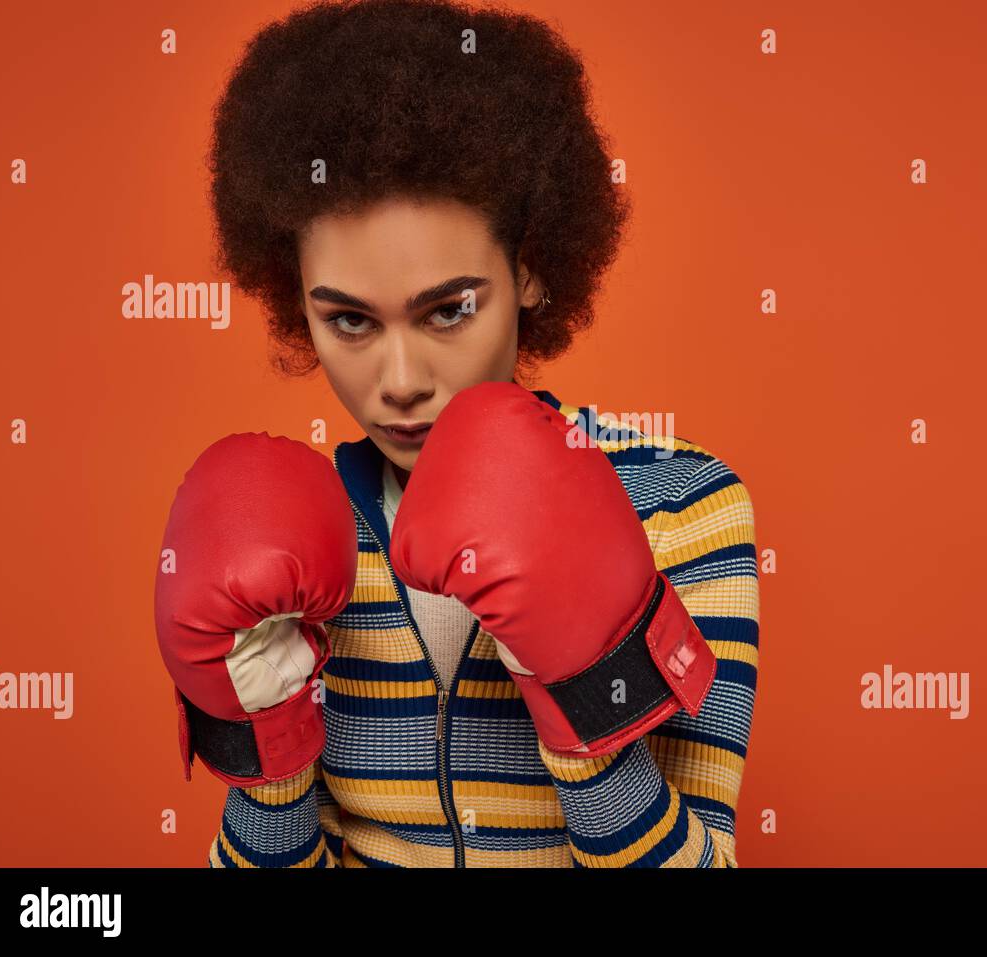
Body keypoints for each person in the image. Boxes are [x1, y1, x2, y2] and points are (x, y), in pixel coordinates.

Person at [167, 0, 759, 867]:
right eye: (350, 322)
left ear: (529, 271)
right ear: (297, 306)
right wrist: (268, 754)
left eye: (448, 310)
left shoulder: (685, 505)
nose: (400, 380)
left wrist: (584, 696)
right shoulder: (289, 538)